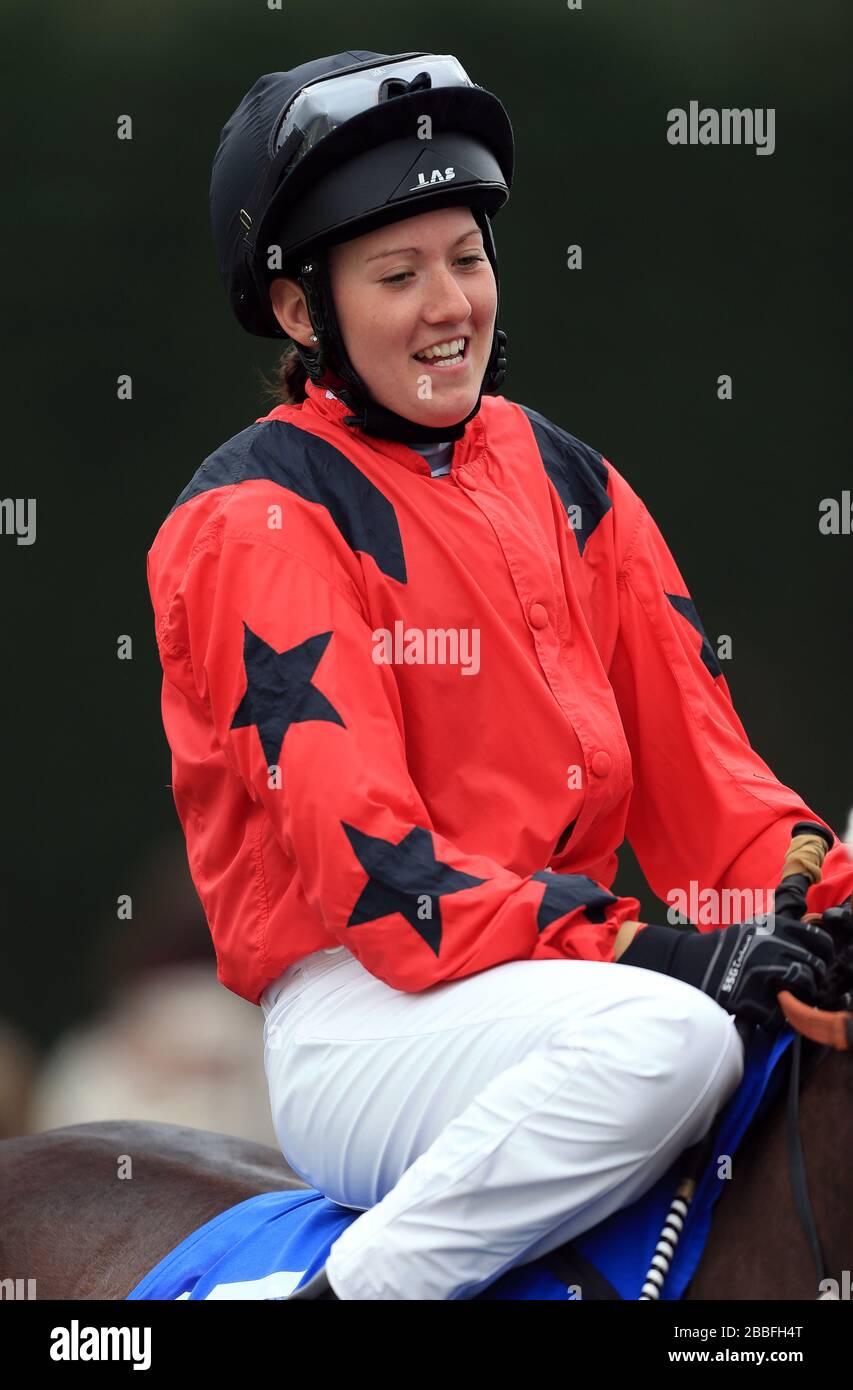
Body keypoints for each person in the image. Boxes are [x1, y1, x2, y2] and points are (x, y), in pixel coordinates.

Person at [147, 51, 853, 1300]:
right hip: (369, 1021)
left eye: (466, 258)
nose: (448, 306)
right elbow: (389, 886)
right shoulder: (253, 517)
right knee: (681, 1040)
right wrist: (664, 952)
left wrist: (820, 909)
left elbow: (721, 801)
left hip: (562, 993)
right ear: (303, 311)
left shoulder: (572, 483)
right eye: (397, 273)